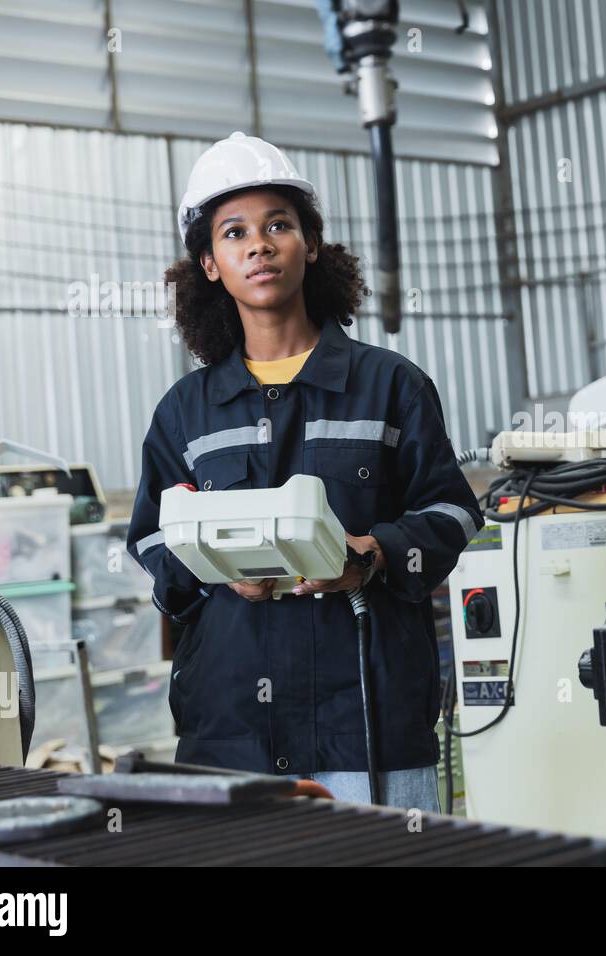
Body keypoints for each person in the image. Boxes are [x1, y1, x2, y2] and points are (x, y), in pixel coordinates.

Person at [125, 132, 482, 811]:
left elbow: (454, 512)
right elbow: (150, 540)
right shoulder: (186, 412)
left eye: (278, 226)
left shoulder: (389, 386)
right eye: (234, 233)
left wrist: (372, 554)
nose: (258, 245)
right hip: (232, 733)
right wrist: (217, 569)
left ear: (310, 244)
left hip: (365, 725)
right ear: (209, 264)